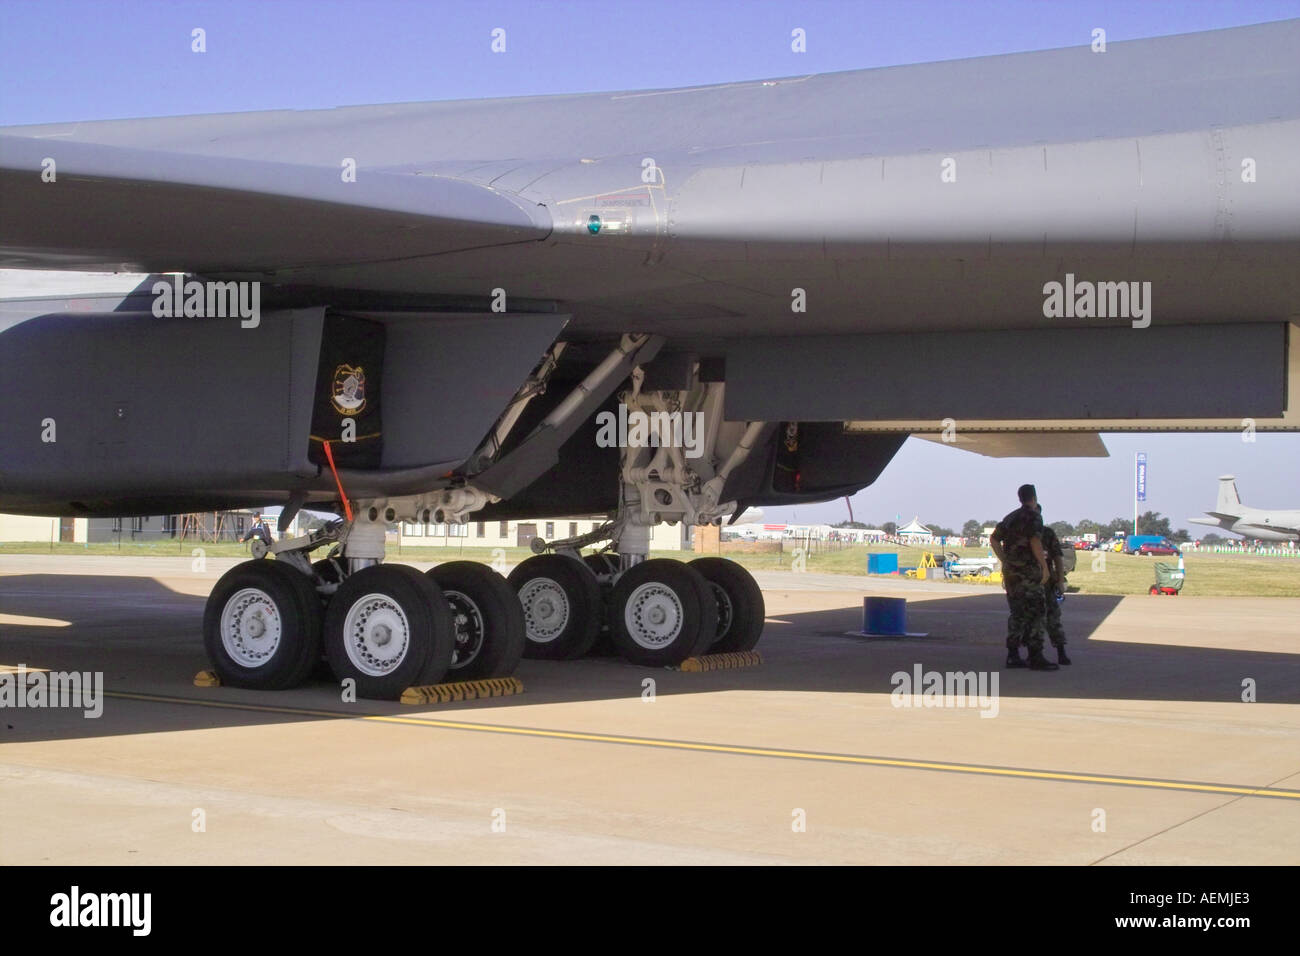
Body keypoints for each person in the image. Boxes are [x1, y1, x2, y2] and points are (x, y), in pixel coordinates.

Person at [989, 484, 1058, 671]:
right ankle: (1035, 655)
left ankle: (1013, 654)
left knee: (1017, 613)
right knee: (1036, 611)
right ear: (1034, 497)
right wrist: (1044, 567)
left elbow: (994, 539)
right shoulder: (1034, 516)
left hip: (1011, 573)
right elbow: (1035, 541)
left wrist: (1005, 559)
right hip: (1029, 572)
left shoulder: (1011, 517)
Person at [1038, 506, 1072, 665]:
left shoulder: (1047, 534)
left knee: (1053, 617)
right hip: (1027, 583)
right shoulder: (1022, 533)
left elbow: (1057, 558)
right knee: (1026, 619)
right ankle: (1029, 653)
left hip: (1047, 584)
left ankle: (1061, 651)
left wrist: (1059, 580)